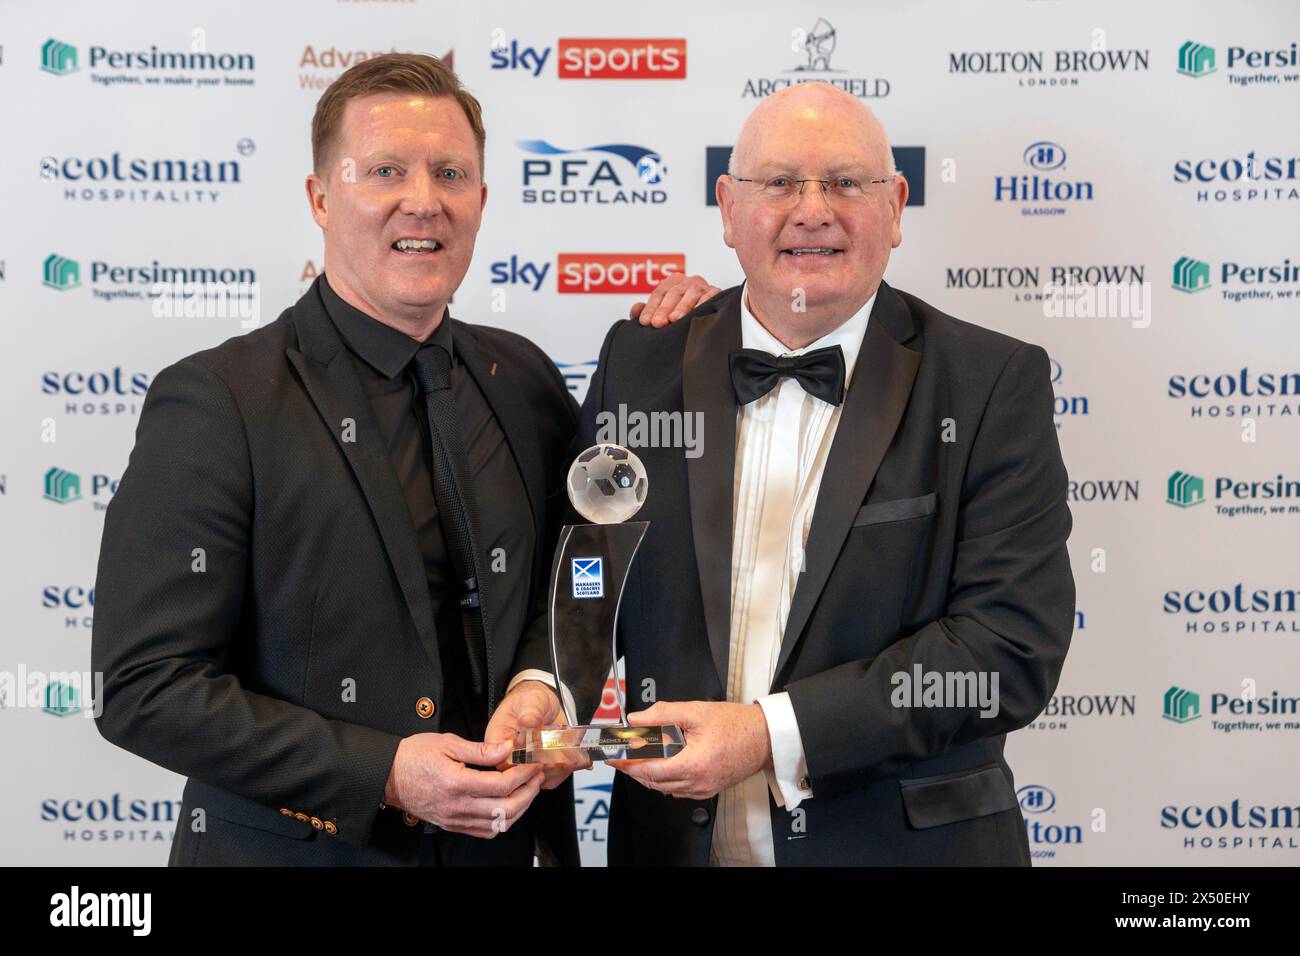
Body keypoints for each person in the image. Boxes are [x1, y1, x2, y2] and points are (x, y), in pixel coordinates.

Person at [90, 52, 710, 866]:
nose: (423, 200)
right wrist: (379, 771)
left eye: (450, 173)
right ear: (320, 197)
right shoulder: (218, 400)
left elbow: (582, 575)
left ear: (482, 201)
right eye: (385, 170)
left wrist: (541, 689)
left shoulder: (522, 379)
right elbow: (142, 688)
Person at [581, 83, 1076, 865]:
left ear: (897, 206)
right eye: (779, 183)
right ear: (728, 208)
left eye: (846, 182)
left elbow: (1007, 649)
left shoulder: (990, 383)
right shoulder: (639, 364)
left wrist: (767, 735)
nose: (813, 210)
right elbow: (585, 580)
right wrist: (542, 689)